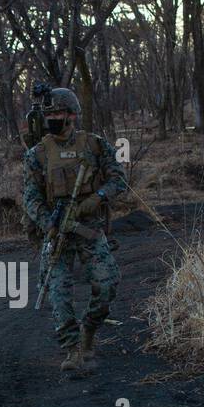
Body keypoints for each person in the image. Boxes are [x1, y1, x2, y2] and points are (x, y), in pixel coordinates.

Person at [22, 88, 128, 372]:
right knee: (57, 294)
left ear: (71, 114)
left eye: (58, 113)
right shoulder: (38, 154)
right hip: (57, 232)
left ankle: (88, 334)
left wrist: (98, 198)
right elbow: (30, 198)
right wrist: (50, 224)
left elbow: (119, 179)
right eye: (49, 114)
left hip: (89, 227)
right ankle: (72, 349)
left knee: (107, 285)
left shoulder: (94, 145)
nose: (53, 118)